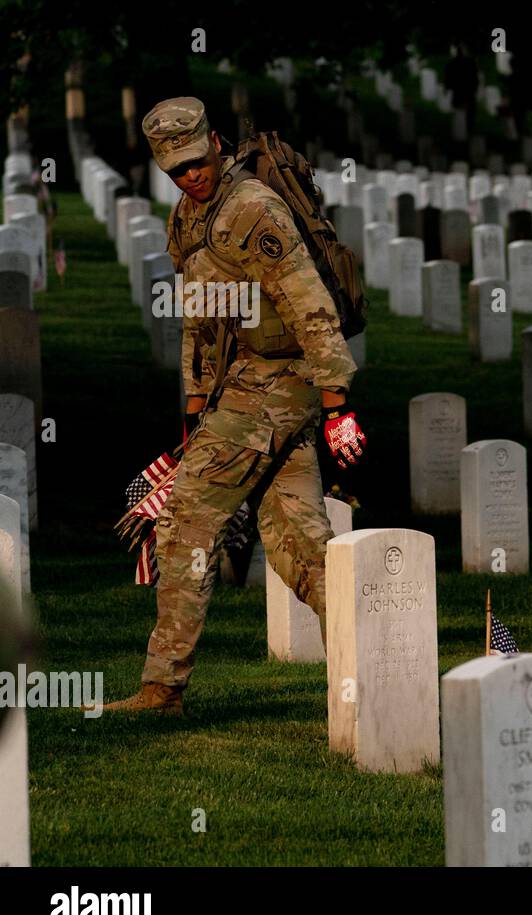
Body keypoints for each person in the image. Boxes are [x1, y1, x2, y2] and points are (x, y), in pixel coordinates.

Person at [103, 97, 365, 714]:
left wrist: (337, 406)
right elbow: (199, 317)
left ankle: (163, 687)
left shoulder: (251, 208)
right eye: (176, 170)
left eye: (196, 162)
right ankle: (376, 668)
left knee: (185, 522)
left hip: (279, 383)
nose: (190, 176)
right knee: (299, 546)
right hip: (243, 387)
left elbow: (309, 303)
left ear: (215, 143)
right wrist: (196, 405)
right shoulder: (190, 218)